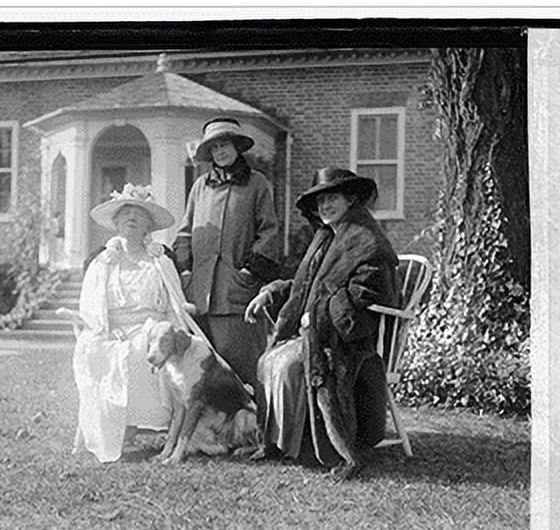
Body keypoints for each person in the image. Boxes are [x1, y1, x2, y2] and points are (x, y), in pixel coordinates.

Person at [244, 168, 398, 481]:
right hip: (318, 330)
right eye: (321, 201)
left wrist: (319, 315)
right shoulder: (327, 238)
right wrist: (271, 292)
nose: (325, 206)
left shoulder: (367, 243)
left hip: (350, 339)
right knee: (268, 361)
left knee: (290, 365)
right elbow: (308, 286)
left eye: (332, 198)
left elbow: (365, 299)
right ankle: (280, 444)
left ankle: (317, 448)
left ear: (350, 199)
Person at [71, 184, 192, 464]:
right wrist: (105, 327)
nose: (132, 218)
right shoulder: (103, 261)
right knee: (96, 351)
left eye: (139, 214)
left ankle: (132, 423)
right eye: (125, 213)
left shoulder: (159, 261)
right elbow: (90, 305)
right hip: (110, 328)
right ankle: (110, 423)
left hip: (150, 329)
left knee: (139, 352)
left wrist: (164, 330)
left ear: (149, 225)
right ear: (116, 222)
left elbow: (174, 304)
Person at [173, 117, 279, 402]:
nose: (220, 152)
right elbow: (185, 232)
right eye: (214, 147)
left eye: (225, 145)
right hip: (200, 295)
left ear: (237, 147)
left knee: (242, 370)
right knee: (204, 373)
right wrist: (185, 271)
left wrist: (248, 272)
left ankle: (253, 423)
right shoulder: (200, 187)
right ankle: (215, 427)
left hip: (236, 295)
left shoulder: (256, 183)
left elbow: (269, 232)